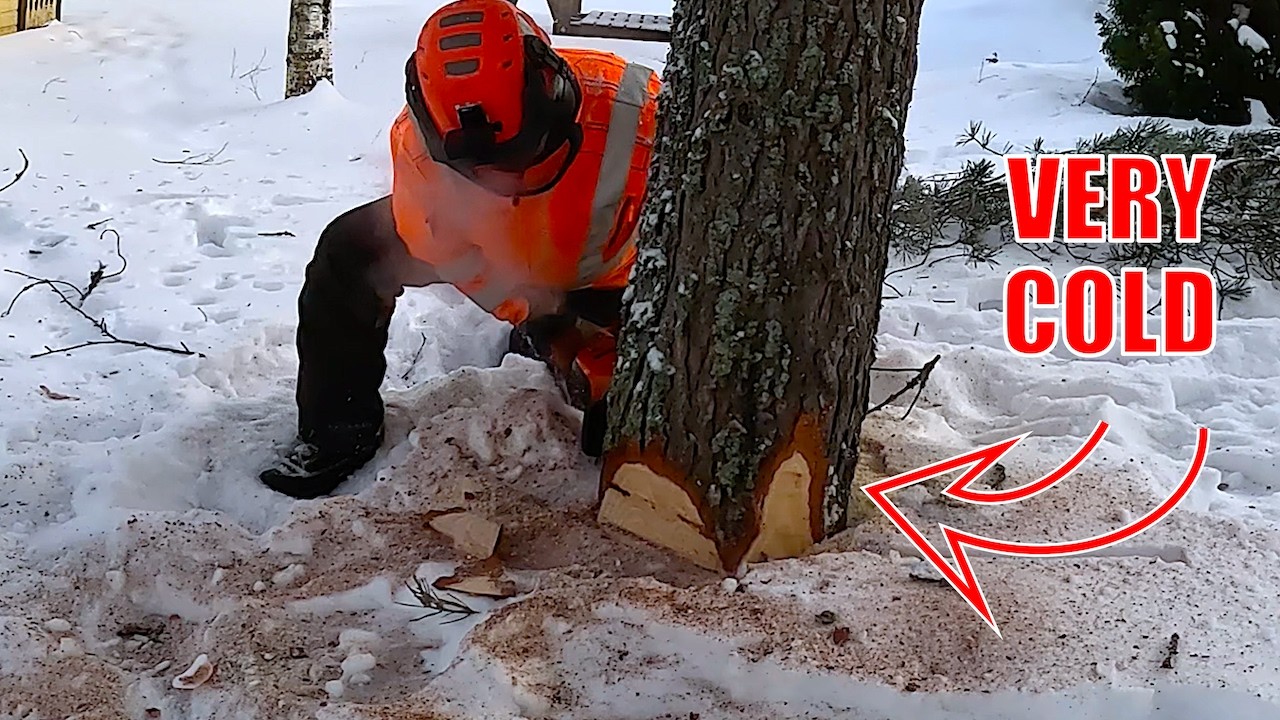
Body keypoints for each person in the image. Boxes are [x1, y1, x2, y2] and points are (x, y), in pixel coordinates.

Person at [257, 0, 662, 499]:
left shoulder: (645, 115)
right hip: (513, 269)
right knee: (350, 253)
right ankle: (337, 434)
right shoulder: (418, 153)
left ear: (552, 93)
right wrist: (544, 320)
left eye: (516, 160)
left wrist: (612, 351)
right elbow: (454, 256)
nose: (502, 182)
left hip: (620, 277)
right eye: (480, 172)